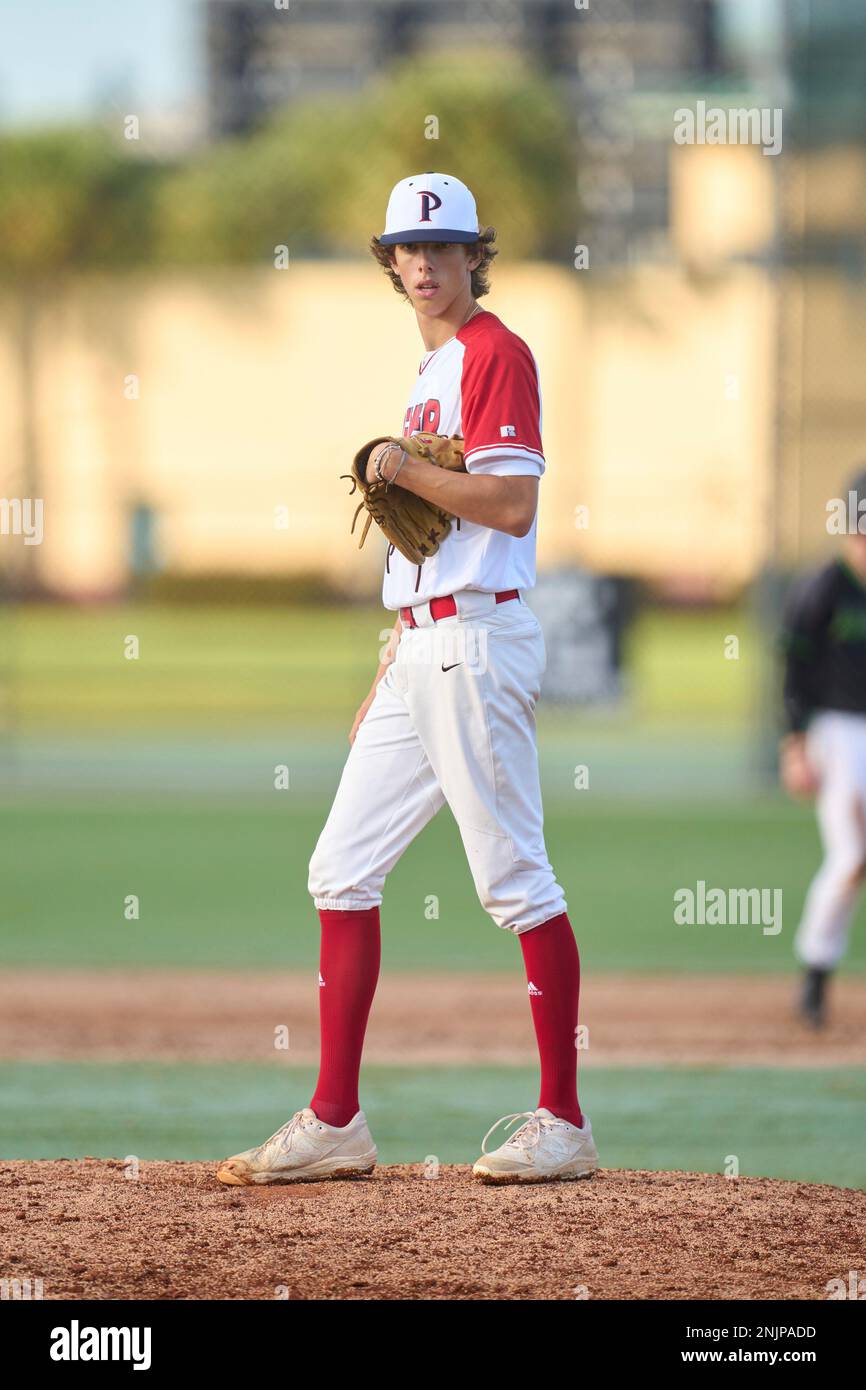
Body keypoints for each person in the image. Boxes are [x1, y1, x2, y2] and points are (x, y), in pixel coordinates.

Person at [216, 171, 598, 1185]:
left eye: (446, 246)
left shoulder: (494, 353)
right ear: (390, 262)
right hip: (419, 642)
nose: (426, 263)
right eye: (409, 249)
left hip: (474, 642)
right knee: (339, 868)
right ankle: (336, 1119)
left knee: (513, 881)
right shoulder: (430, 368)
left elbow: (510, 506)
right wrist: (392, 644)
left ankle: (563, 1121)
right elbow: (434, 527)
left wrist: (399, 464)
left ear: (478, 255)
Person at [780, 467, 866, 1026]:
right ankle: (815, 972)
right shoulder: (825, 588)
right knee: (852, 856)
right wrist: (795, 745)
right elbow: (794, 669)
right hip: (839, 734)